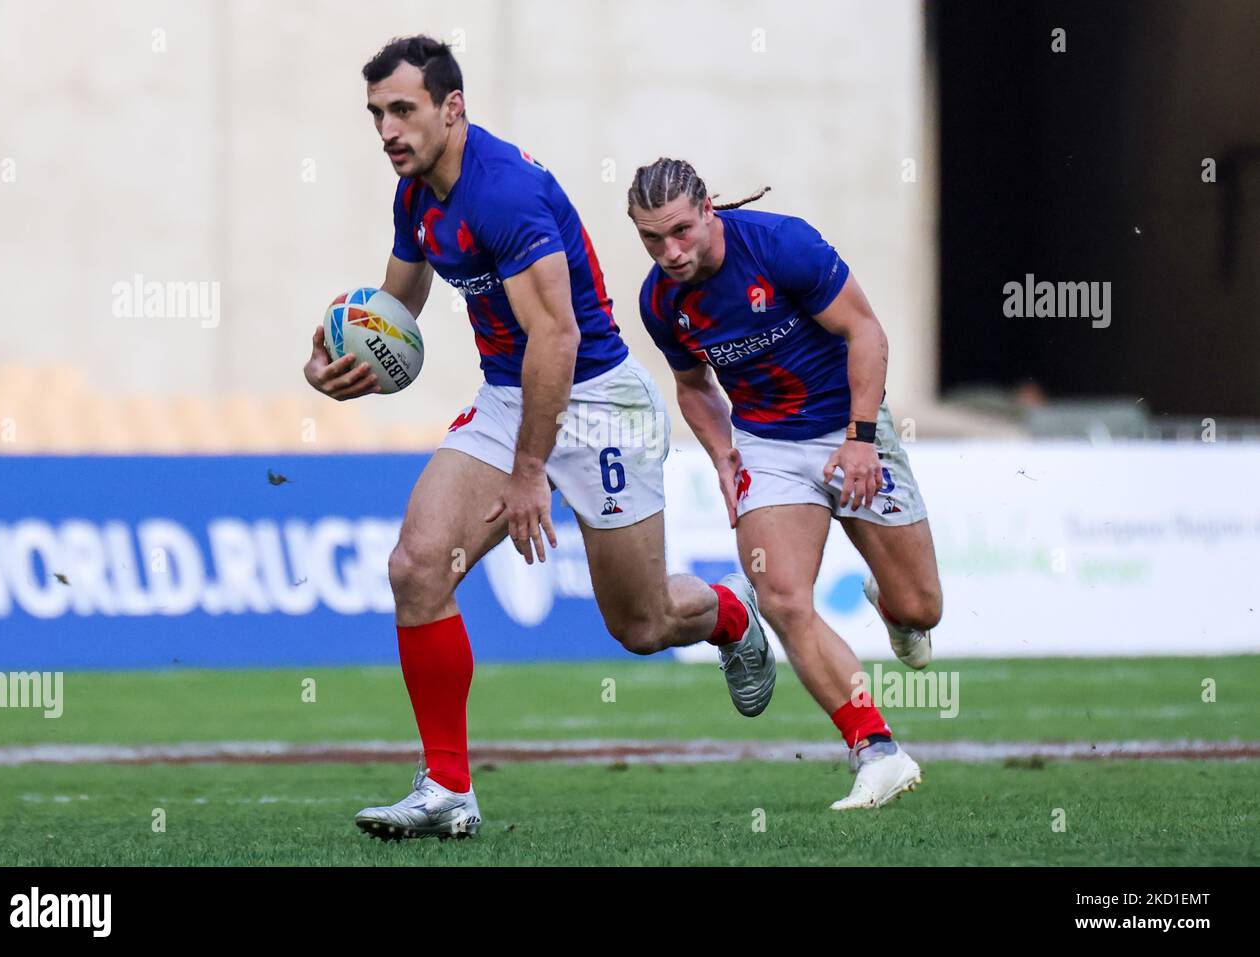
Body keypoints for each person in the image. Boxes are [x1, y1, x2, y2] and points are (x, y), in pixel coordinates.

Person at [303, 39, 776, 841]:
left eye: (403, 110)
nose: (388, 129)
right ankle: (447, 787)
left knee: (642, 625)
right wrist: (343, 352)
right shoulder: (417, 193)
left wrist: (531, 473)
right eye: (377, 114)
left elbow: (555, 337)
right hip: (505, 395)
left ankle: (731, 613)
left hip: (595, 401)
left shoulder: (505, 193)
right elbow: (399, 301)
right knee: (416, 567)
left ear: (453, 108)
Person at [627, 158, 943, 810]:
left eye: (681, 231)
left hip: (847, 426)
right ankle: (876, 748)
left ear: (709, 209)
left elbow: (866, 330)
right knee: (783, 595)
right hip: (768, 448)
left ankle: (893, 606)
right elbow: (694, 388)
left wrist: (860, 438)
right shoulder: (661, 301)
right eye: (652, 239)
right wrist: (722, 454)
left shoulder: (781, 244)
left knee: (922, 610)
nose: (671, 251)